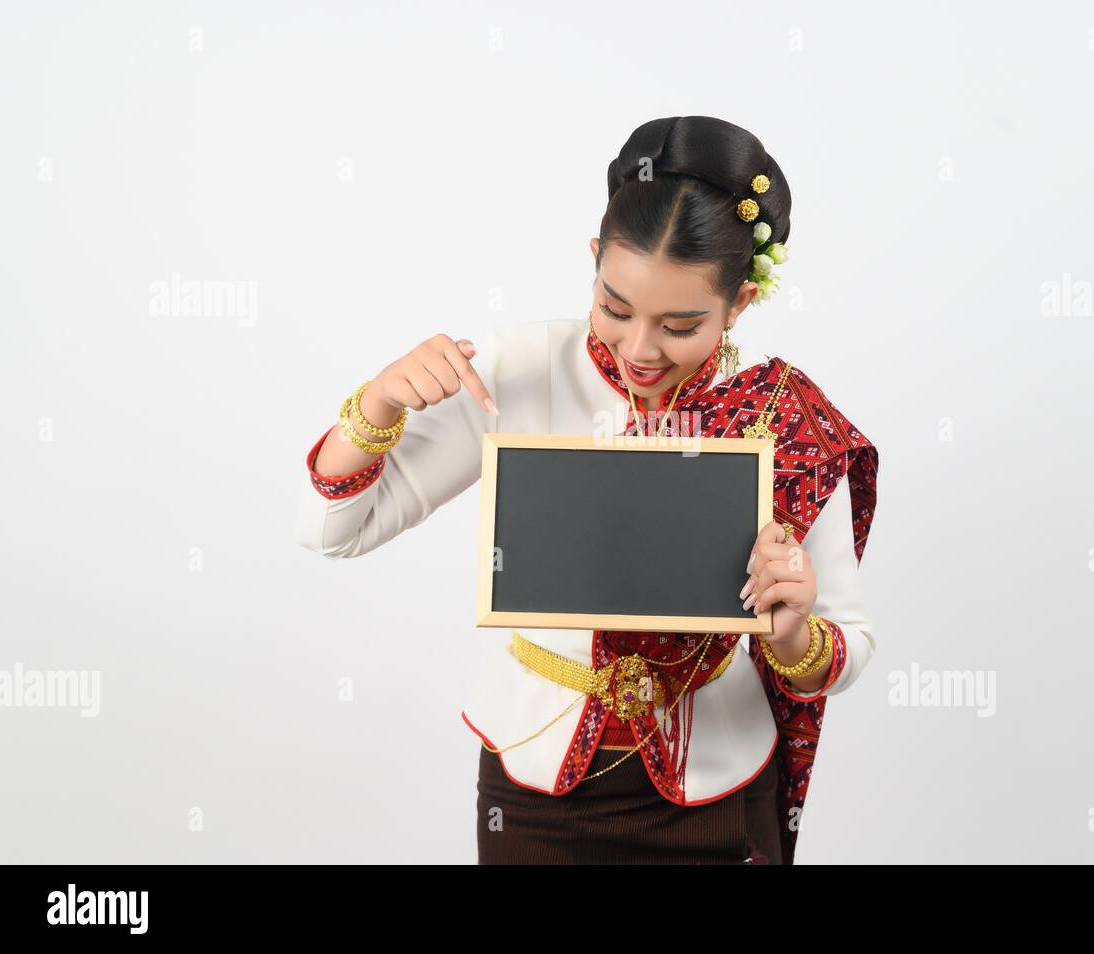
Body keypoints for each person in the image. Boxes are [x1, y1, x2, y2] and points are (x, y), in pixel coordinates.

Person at [295, 116, 881, 864]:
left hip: (722, 788)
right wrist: (378, 404)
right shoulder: (522, 368)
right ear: (596, 258)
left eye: (679, 325)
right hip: (534, 786)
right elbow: (330, 532)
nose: (638, 349)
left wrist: (794, 634)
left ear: (740, 303)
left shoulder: (784, 418)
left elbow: (848, 645)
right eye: (615, 307)